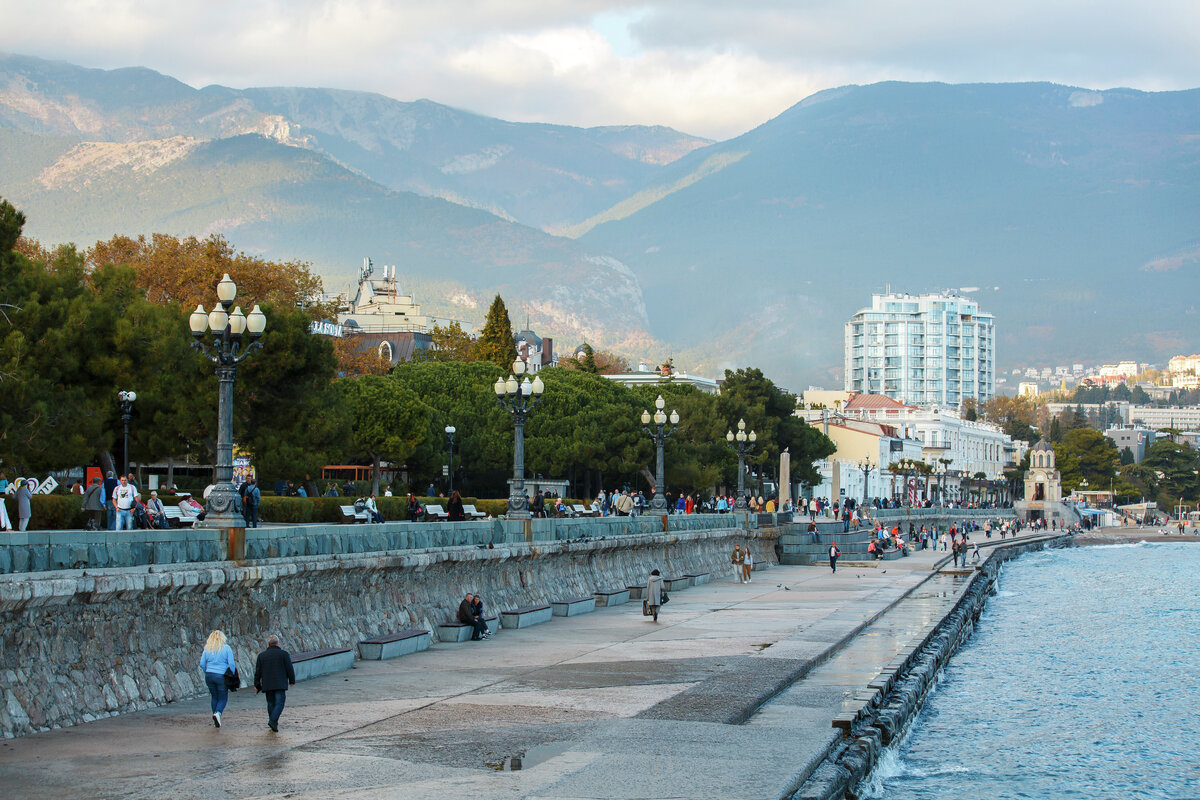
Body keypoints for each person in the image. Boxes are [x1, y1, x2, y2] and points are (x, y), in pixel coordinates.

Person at [254, 634, 295, 732]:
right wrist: (292, 680)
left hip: (267, 684)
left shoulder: (261, 656)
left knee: (271, 703)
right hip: (279, 683)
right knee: (280, 703)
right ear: (277, 643)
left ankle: (274, 723)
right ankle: (273, 721)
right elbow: (289, 668)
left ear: (268, 644)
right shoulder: (284, 654)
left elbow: (258, 672)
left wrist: (256, 684)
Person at [199, 630, 237, 728]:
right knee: (223, 697)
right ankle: (218, 713)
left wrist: (207, 671)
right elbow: (231, 663)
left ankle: (215, 715)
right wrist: (232, 674)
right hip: (221, 676)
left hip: (209, 675)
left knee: (214, 696)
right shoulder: (226, 648)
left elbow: (202, 663)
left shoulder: (207, 649)